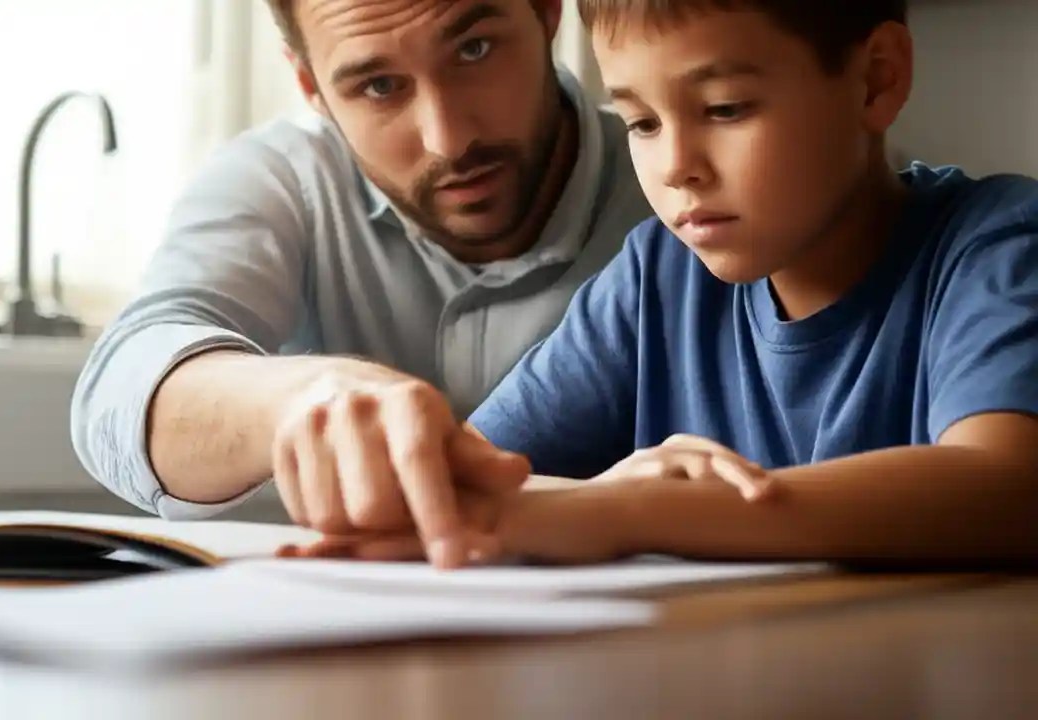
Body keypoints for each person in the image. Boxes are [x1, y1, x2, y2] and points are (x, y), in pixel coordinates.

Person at [289, 0, 1038, 566]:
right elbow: (467, 485)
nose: (676, 164)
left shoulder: (997, 244)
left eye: (724, 109)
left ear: (876, 80)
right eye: (641, 122)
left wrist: (644, 512)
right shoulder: (656, 279)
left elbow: (1007, 488)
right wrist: (609, 493)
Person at [70, 0, 654, 568]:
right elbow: (121, 390)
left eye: (474, 50)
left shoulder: (689, 189)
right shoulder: (285, 182)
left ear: (548, 11)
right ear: (310, 86)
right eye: (378, 86)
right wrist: (306, 396)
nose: (447, 139)